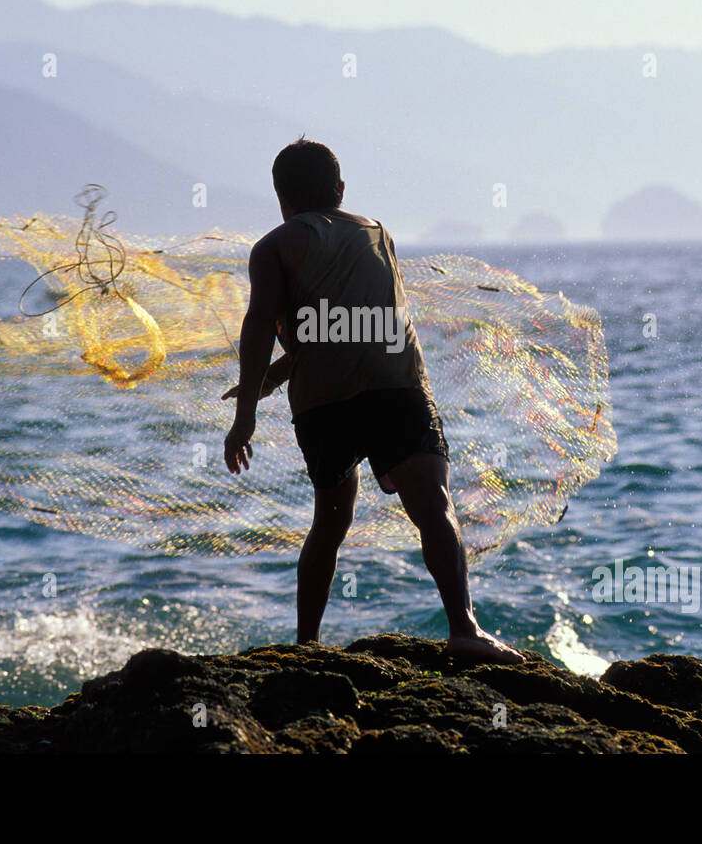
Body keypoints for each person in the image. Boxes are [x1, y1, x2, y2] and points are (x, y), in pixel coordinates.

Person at [223, 136, 523, 663]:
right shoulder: (377, 233)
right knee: (433, 505)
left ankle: (307, 647)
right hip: (394, 390)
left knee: (331, 522)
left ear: (280, 196)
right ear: (340, 190)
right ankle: (464, 629)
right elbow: (368, 325)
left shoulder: (274, 246)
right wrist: (272, 379)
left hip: (324, 405)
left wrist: (249, 406)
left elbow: (266, 326)